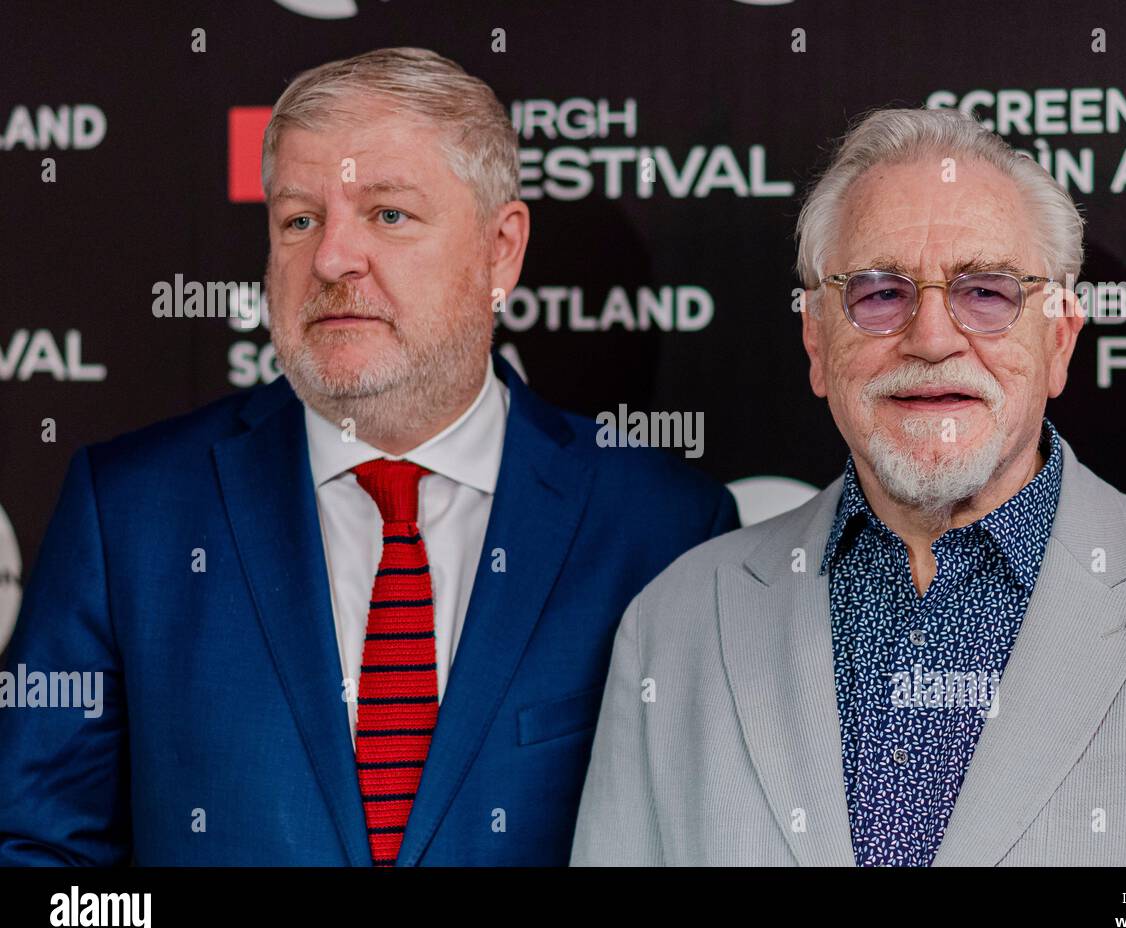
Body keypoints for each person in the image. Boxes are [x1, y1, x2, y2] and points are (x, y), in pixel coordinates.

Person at [0, 47, 737, 866]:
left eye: (387, 214)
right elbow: (38, 853)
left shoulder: (663, 527)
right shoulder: (130, 513)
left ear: (502, 250)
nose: (330, 258)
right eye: (299, 220)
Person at [571, 107, 1126, 866]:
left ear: (1058, 341)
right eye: (880, 294)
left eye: (986, 293)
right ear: (817, 342)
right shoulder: (676, 621)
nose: (931, 337)